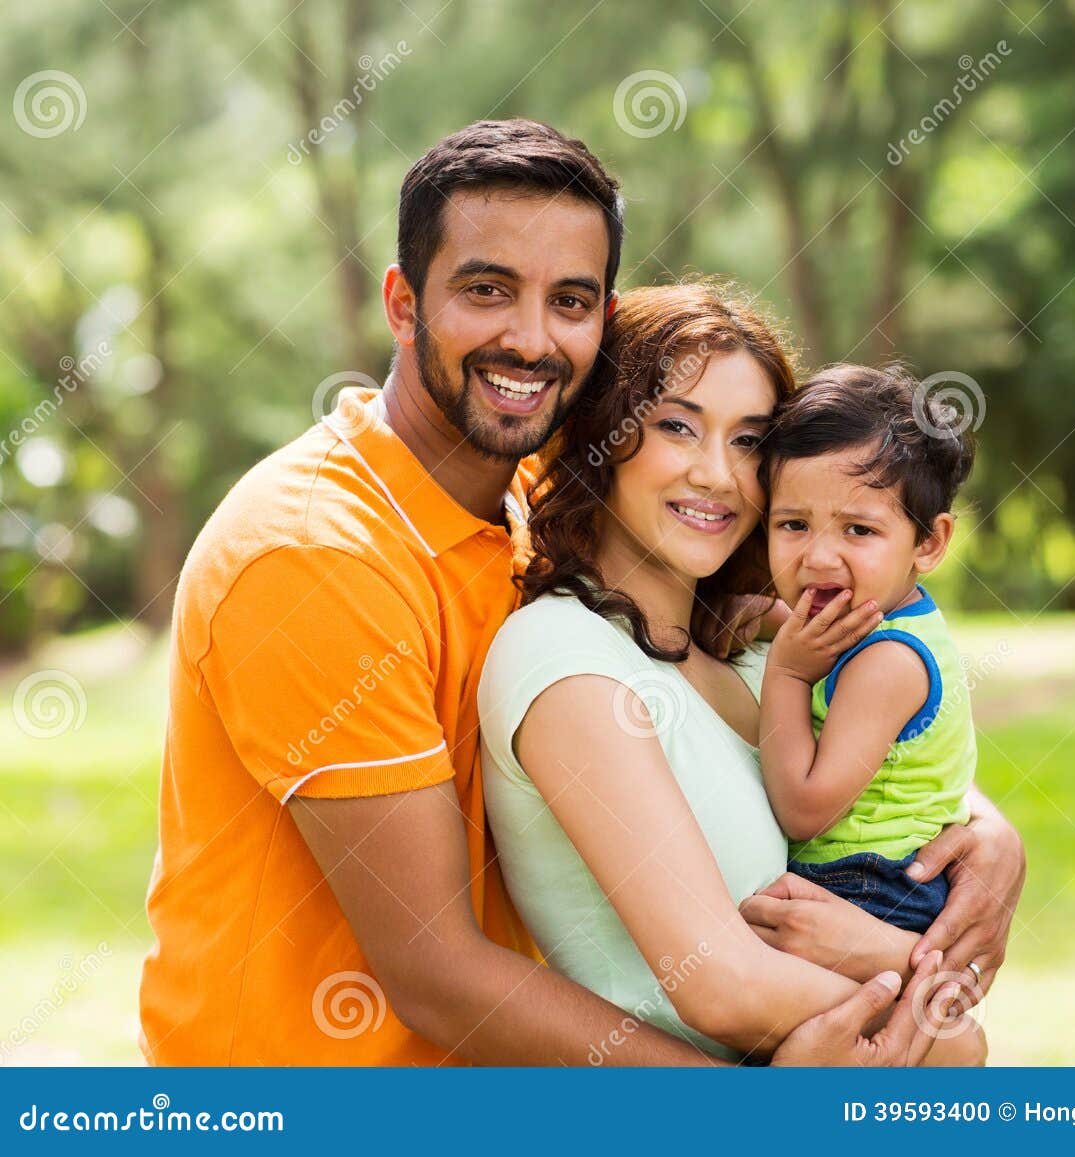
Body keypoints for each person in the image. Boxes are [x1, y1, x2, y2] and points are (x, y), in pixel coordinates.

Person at [139, 118, 977, 1066]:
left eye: (571, 300)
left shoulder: (541, 514)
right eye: (487, 289)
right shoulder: (311, 555)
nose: (531, 337)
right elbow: (434, 971)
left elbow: (839, 733)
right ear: (403, 303)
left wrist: (984, 839)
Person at [479, 284, 988, 1062]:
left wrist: (991, 835)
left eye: (750, 442)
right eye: (678, 427)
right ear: (604, 438)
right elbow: (722, 986)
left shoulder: (752, 649)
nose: (718, 474)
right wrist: (935, 1002)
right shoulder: (563, 657)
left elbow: (895, 774)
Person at [756, 365, 977, 936]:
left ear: (929, 543)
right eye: (793, 524)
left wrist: (785, 674)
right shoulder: (879, 620)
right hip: (879, 884)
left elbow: (804, 809)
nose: (819, 557)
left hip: (871, 891)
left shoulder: (887, 663)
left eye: (858, 530)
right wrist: (759, 618)